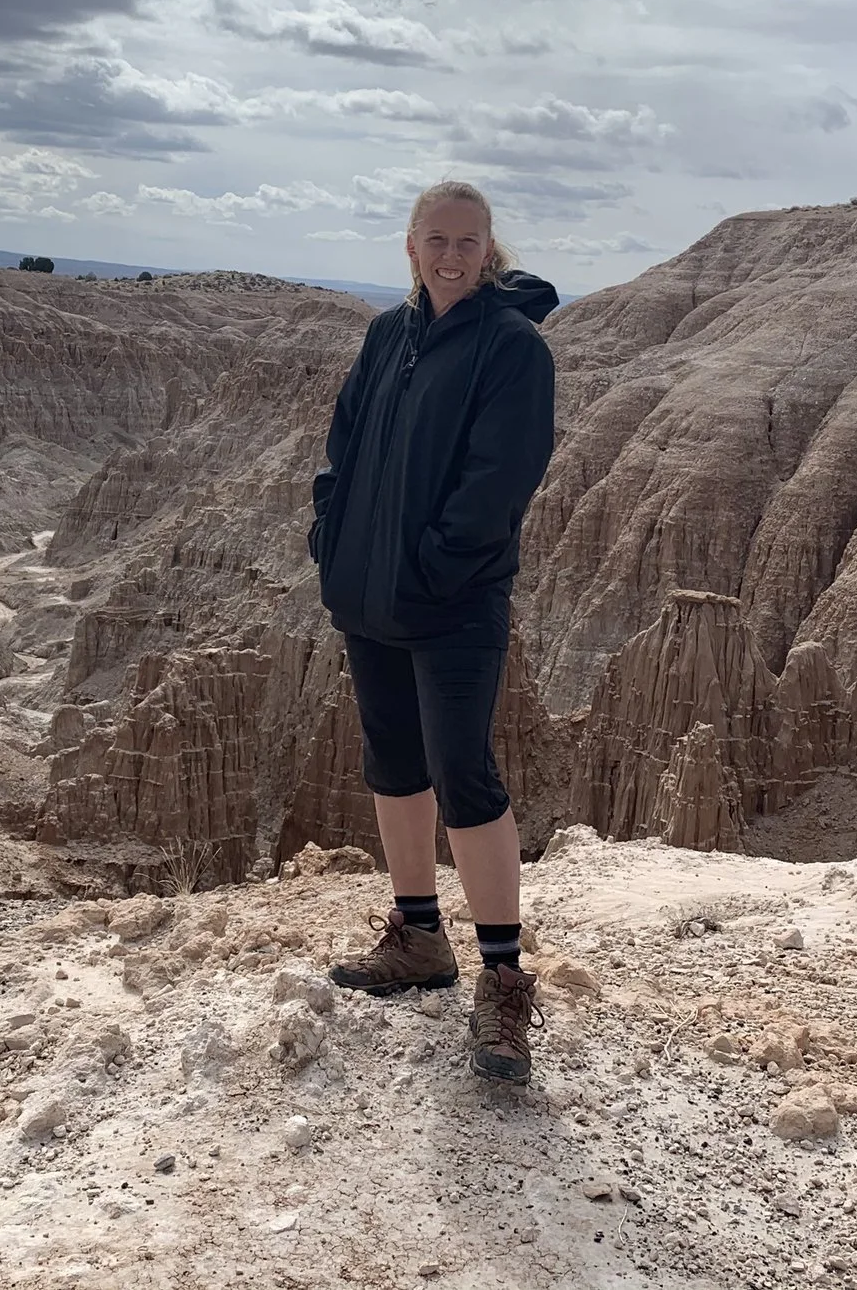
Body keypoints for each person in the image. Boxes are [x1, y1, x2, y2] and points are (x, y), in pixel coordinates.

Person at [308, 179, 558, 1083]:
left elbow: (502, 478)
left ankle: (503, 979)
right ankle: (418, 935)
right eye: (436, 239)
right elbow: (343, 449)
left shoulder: (513, 346)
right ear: (410, 246)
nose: (451, 256)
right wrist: (334, 539)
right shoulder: (388, 334)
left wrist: (432, 567)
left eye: (467, 241)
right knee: (394, 762)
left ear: (489, 249)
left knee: (464, 775)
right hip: (369, 593)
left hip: (453, 601)